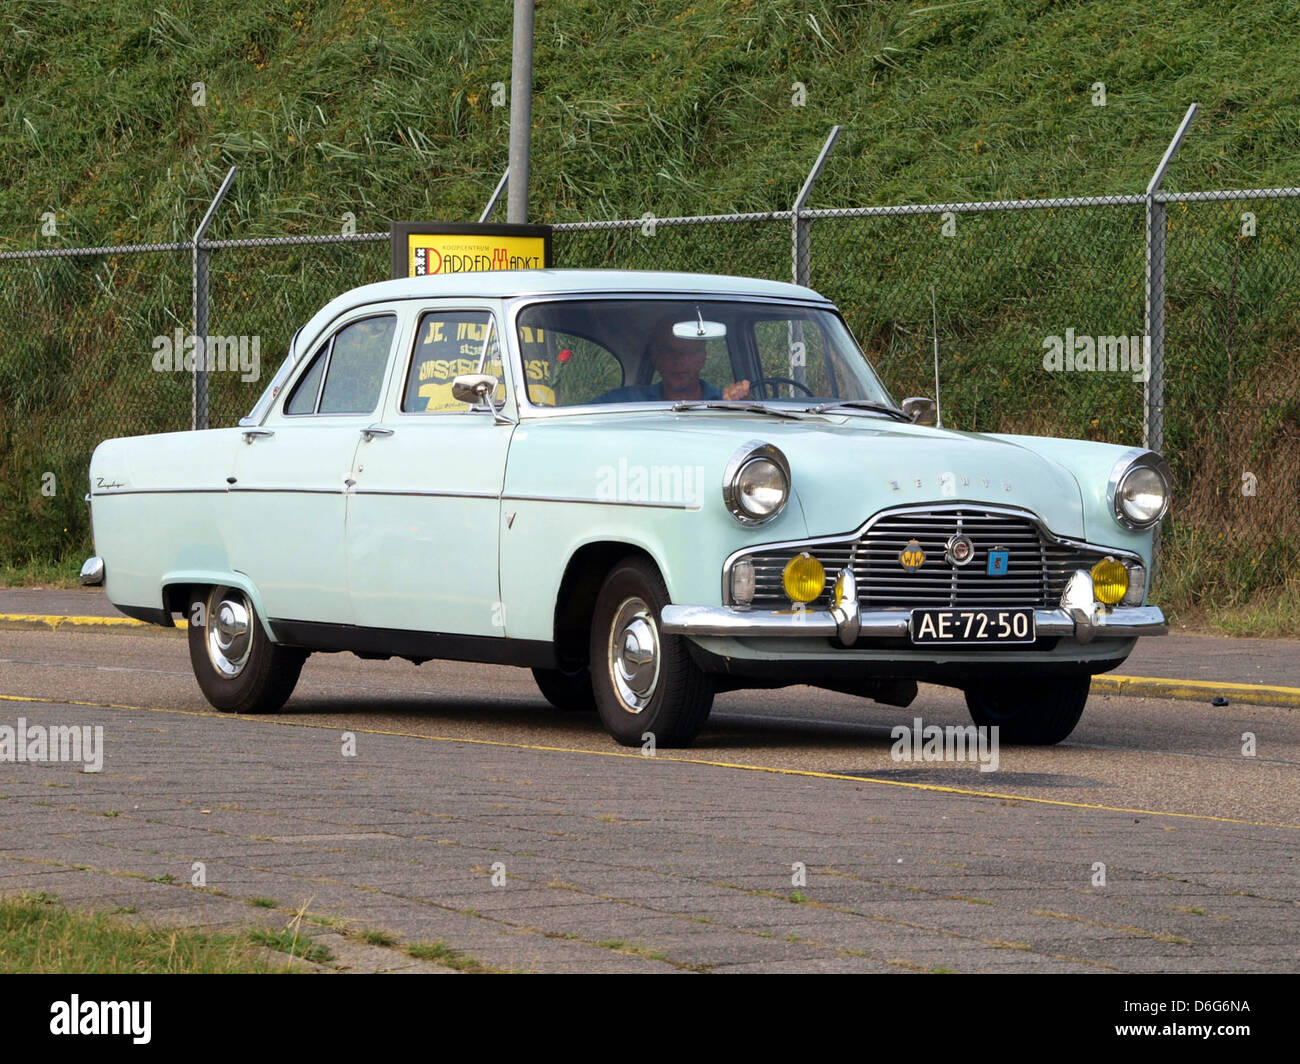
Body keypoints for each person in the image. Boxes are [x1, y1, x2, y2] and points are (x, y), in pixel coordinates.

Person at [594, 316, 750, 402]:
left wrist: (746, 401)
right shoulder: (628, 401)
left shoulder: (725, 403)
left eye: (687, 352)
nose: (678, 360)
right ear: (655, 358)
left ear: (702, 358)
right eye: (669, 352)